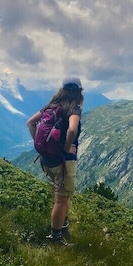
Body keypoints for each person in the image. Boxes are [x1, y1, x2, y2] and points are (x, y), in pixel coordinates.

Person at [28, 78, 84, 244]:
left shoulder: (50, 106)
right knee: (61, 199)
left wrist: (40, 143)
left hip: (47, 160)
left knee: (64, 196)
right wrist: (66, 148)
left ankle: (63, 229)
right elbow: (72, 129)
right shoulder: (74, 109)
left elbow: (30, 123)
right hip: (63, 162)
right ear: (79, 92)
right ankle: (56, 238)